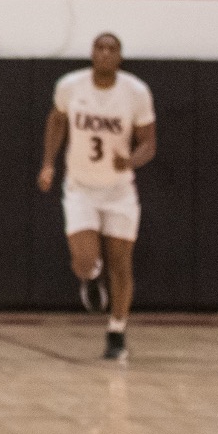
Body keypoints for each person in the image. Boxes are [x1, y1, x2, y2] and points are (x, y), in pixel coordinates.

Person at [39, 33, 156, 363]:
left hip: (119, 191)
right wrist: (48, 163)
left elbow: (149, 143)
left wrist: (131, 160)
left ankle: (117, 331)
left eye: (112, 49)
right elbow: (56, 120)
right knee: (85, 260)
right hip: (80, 188)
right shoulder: (70, 85)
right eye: (99, 48)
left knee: (121, 265)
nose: (105, 54)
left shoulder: (136, 92)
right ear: (92, 54)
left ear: (120, 56)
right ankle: (90, 279)